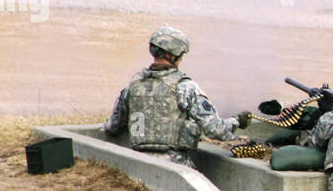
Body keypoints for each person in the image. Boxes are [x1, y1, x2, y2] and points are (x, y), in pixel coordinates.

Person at [104, 26, 250, 169]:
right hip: (175, 165)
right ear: (175, 55)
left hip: (136, 163)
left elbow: (113, 127)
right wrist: (236, 121)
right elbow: (215, 129)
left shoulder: (133, 86)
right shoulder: (186, 87)